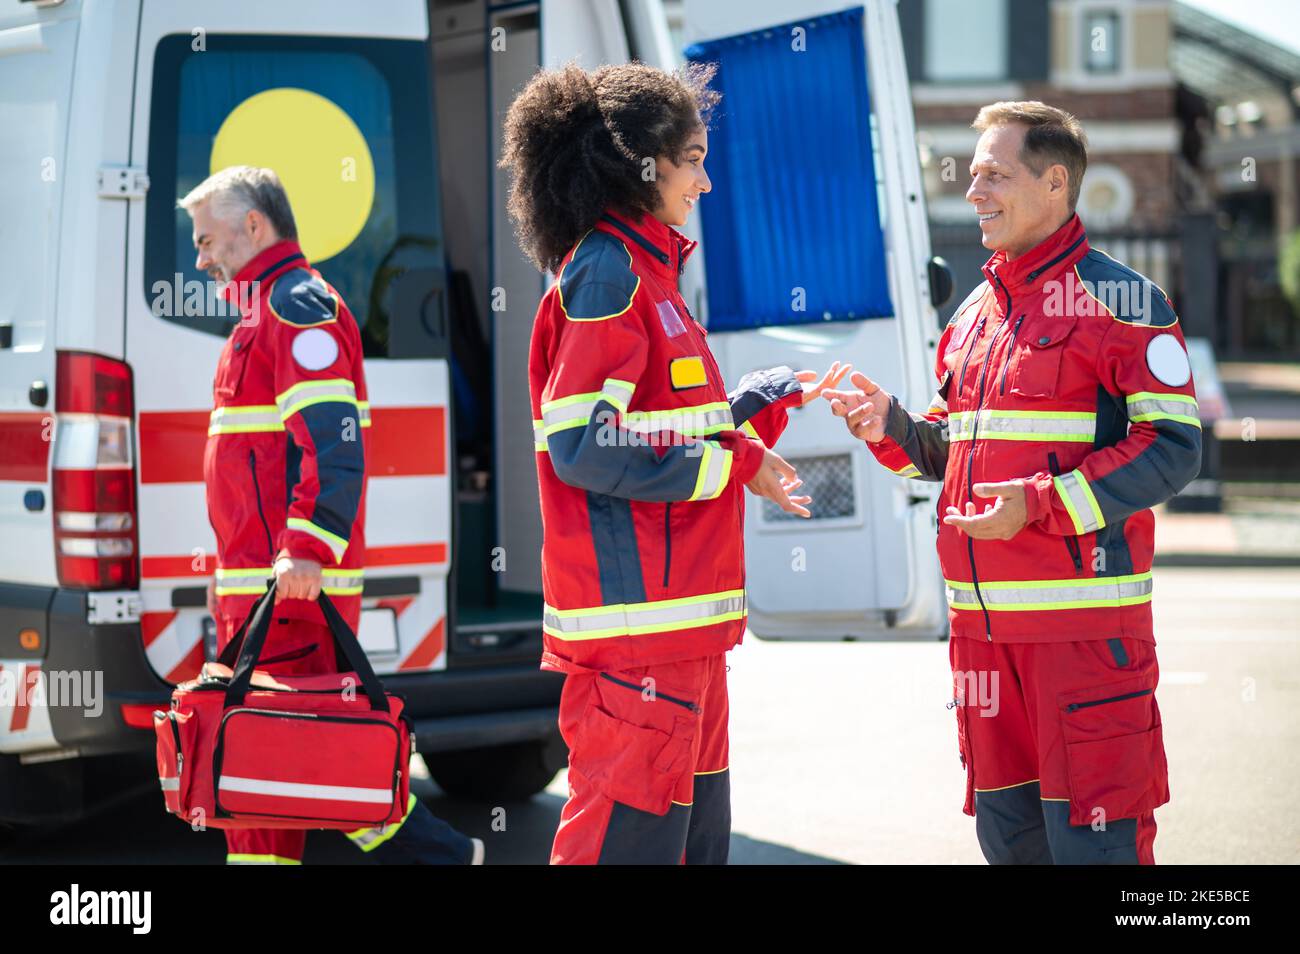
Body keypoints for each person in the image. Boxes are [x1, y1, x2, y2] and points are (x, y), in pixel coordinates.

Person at [826, 101, 1201, 865]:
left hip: (1083, 648)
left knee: (1096, 852)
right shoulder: (973, 313)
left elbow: (1173, 447)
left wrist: (1039, 505)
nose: (976, 193)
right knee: (1011, 847)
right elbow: (946, 452)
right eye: (973, 176)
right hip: (980, 648)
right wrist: (885, 424)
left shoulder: (1125, 302)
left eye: (996, 175)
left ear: (1055, 181)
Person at [500, 62, 848, 864]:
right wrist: (728, 466)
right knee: (628, 849)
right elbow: (585, 444)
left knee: (689, 849)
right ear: (640, 162)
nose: (707, 180)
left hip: (681, 634)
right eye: (693, 157)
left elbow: (663, 424)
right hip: (638, 642)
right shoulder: (611, 275)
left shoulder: (645, 269)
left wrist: (758, 407)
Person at [181, 165, 481, 865]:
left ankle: (444, 858)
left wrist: (309, 547)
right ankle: (447, 857)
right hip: (265, 586)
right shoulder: (267, 311)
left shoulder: (294, 308)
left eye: (207, 240)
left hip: (290, 591)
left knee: (287, 753)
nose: (200, 259)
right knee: (276, 764)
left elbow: (334, 441)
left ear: (254, 225)